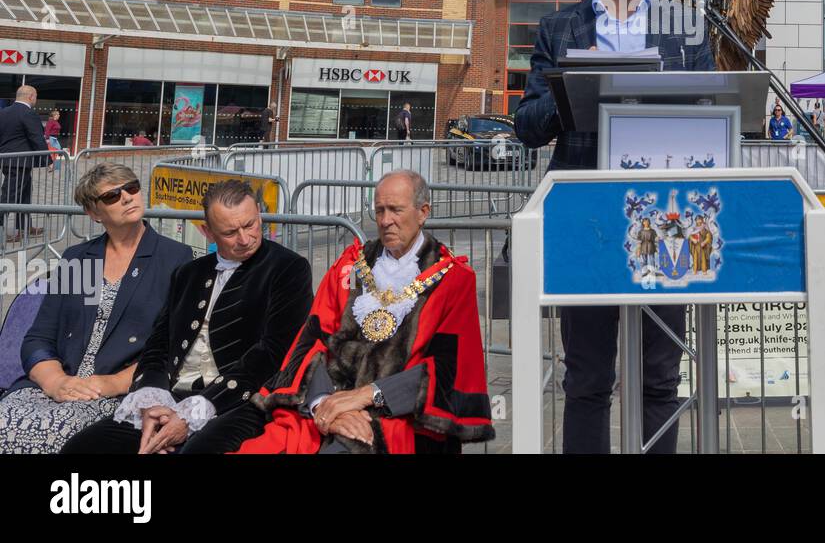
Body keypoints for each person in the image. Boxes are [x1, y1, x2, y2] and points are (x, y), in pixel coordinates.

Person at [514, 0, 714, 454]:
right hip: (586, 219)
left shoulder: (687, 30)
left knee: (660, 378)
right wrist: (577, 86)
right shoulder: (561, 30)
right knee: (587, 381)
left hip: (666, 218)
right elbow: (527, 127)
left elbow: (709, 117)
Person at [236, 171, 493, 453]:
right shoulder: (351, 265)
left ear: (422, 212)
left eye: (395, 210)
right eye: (379, 210)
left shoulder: (453, 278)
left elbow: (449, 367)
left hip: (399, 416)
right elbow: (314, 339)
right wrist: (323, 401)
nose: (385, 221)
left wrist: (368, 395)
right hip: (330, 403)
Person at [63, 179, 313, 454]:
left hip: (239, 401)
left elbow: (271, 353)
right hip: (170, 396)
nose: (245, 239)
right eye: (230, 232)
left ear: (259, 215)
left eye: (251, 224)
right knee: (83, 447)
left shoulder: (288, 268)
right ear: (207, 232)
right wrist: (153, 400)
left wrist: (194, 412)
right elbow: (158, 345)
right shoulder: (189, 273)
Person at [0, 163, 192, 452]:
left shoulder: (174, 258)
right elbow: (38, 338)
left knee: (58, 434)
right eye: (112, 196)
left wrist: (110, 383)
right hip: (58, 386)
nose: (127, 197)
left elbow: (173, 349)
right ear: (94, 212)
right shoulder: (80, 258)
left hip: (118, 393)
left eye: (131, 187)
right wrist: (56, 382)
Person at [0, 85, 52, 242]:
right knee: (9, 196)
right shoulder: (28, 113)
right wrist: (47, 160)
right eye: (35, 96)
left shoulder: (3, 112)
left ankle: (24, 227)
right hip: (20, 162)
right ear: (31, 96)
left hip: (8, 160)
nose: (35, 99)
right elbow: (36, 138)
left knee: (24, 195)